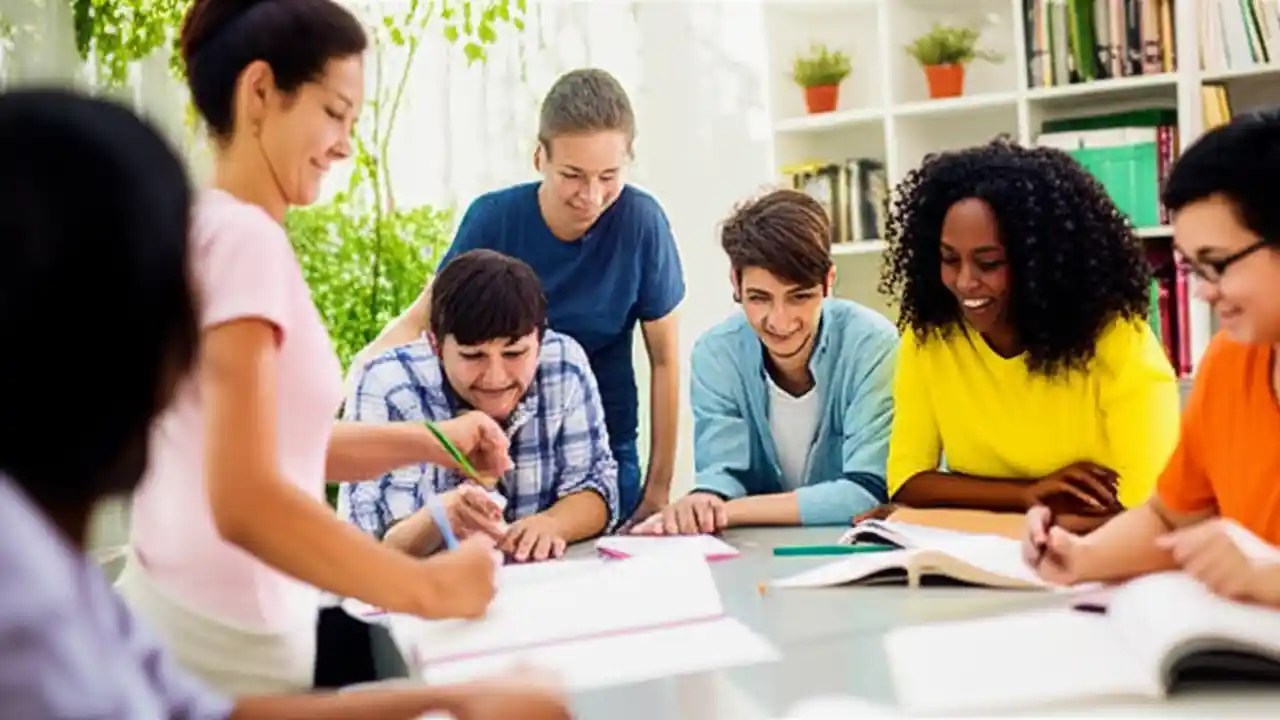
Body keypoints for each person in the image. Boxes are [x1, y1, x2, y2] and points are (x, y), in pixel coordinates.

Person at [0, 86, 571, 720]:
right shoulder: (22, 605)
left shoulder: (67, 581)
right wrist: (427, 590)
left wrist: (457, 699)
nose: (187, 374)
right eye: (174, 322)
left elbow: (205, 712)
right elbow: (250, 492)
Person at [116, 0, 511, 696]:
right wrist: (426, 588)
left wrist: (435, 441)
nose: (345, 146)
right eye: (335, 113)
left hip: (187, 631)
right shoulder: (245, 242)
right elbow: (245, 497)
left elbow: (275, 446)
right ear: (260, 92)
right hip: (219, 654)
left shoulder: (202, 227)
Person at [353, 68, 685, 527]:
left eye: (609, 175)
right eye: (572, 175)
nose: (591, 196)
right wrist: (354, 381)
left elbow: (665, 359)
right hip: (498, 440)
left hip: (599, 447)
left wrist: (658, 490)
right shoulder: (494, 220)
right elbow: (423, 318)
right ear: (539, 158)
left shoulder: (642, 223)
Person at [1024, 111, 1280, 608]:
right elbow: (1172, 517)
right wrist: (1081, 556)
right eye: (1193, 268)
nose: (1204, 291)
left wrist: (1266, 577)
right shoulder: (1228, 361)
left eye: (1217, 264)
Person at [878, 138, 1180, 534]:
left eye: (989, 263)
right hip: (983, 561)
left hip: (1104, 563)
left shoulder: (1117, 342)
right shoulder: (929, 339)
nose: (965, 281)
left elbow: (1151, 515)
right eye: (949, 259)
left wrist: (943, 517)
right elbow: (907, 481)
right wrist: (1027, 494)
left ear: (1041, 262)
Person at [631, 189, 896, 534]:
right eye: (759, 298)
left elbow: (867, 492)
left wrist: (726, 512)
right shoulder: (716, 354)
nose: (780, 321)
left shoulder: (871, 344)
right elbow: (721, 477)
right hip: (756, 551)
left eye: (799, 297)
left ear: (828, 282)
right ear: (736, 283)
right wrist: (704, 500)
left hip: (853, 547)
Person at [341, 249, 619, 562]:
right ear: (435, 345)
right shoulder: (387, 382)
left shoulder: (564, 363)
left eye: (514, 354)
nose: (495, 378)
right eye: (473, 356)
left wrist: (554, 523)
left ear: (540, 341)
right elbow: (370, 547)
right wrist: (443, 515)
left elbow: (598, 486)